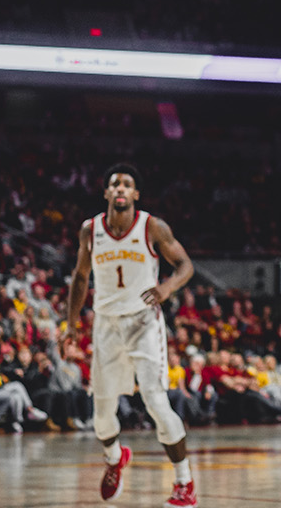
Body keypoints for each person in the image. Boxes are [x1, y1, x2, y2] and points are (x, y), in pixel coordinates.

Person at [61, 164, 198, 505]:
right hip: (106, 324)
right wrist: (71, 325)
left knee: (156, 401)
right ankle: (114, 458)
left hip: (143, 322)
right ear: (106, 193)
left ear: (135, 194)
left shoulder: (152, 226)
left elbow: (186, 266)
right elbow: (80, 277)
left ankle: (185, 482)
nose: (120, 188)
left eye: (126, 184)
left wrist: (167, 288)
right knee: (101, 415)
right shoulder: (90, 229)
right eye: (115, 184)